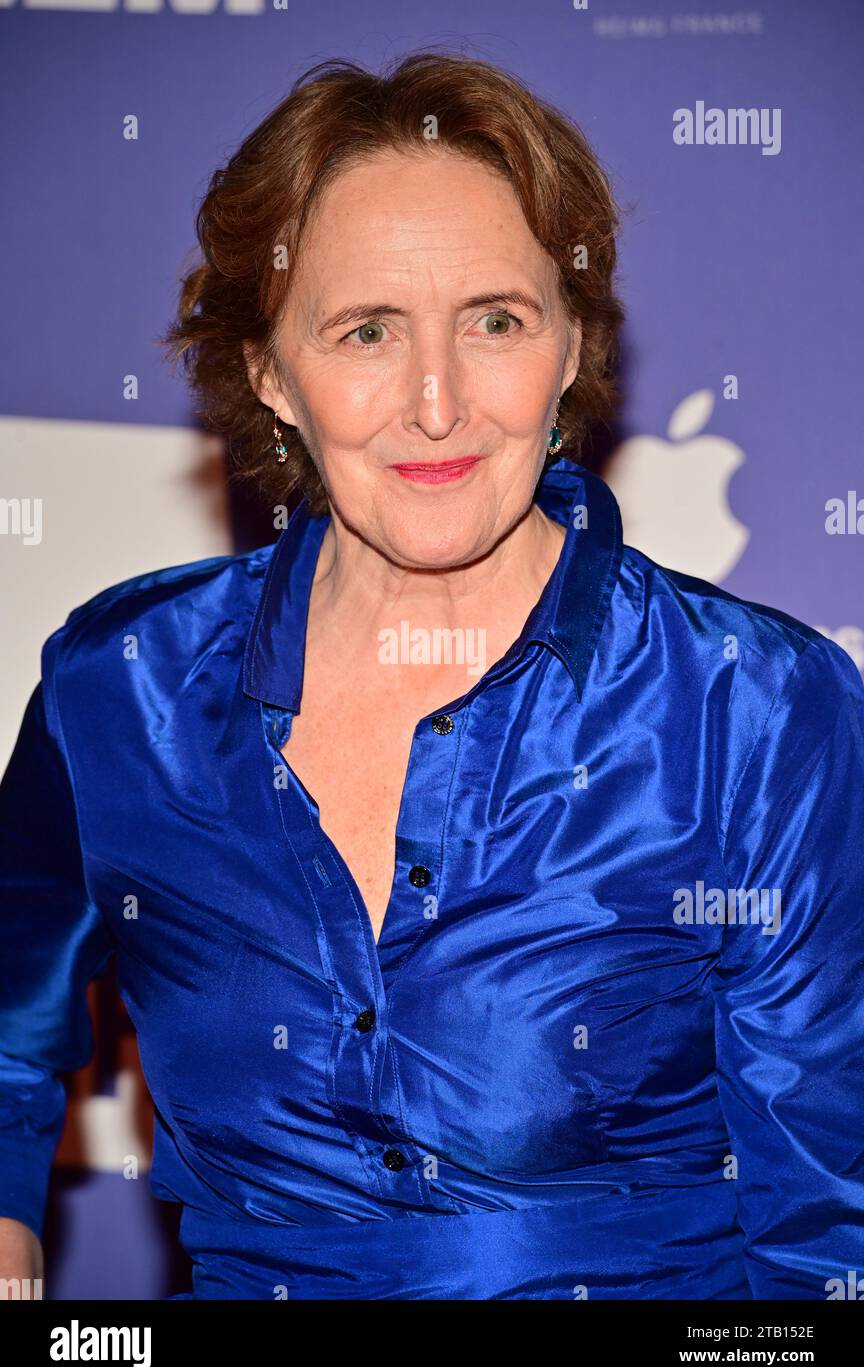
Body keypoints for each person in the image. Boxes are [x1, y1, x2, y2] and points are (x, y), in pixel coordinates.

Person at [1, 52, 863, 1301]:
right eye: (365, 331)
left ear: (570, 347)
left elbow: (834, 1233)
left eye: (496, 321)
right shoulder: (119, 695)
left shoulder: (756, 713)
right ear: (267, 372)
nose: (438, 401)